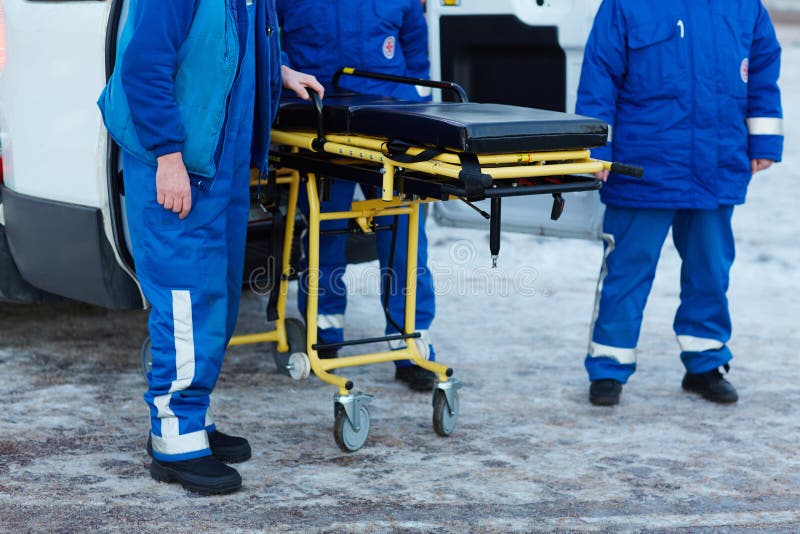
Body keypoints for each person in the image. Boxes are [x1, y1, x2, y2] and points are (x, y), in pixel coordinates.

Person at [98, 0, 322, 494]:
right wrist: (168, 158)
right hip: (176, 161)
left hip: (218, 162)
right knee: (185, 299)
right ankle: (175, 439)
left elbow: (224, 44)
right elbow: (142, 66)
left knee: (216, 297)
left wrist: (276, 71)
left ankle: (193, 414)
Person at [577, 0, 783, 406]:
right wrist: (596, 146)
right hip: (642, 166)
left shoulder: (745, 7)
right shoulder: (625, 5)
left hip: (716, 165)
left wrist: (764, 141)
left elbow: (762, 74)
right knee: (627, 271)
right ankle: (608, 366)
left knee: (710, 271)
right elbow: (600, 73)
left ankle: (706, 364)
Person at [276, 0, 439, 391]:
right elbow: (268, 37)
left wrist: (417, 110)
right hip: (318, 124)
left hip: (390, 126)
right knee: (321, 235)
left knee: (403, 235)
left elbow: (416, 47)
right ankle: (323, 333)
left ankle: (408, 342)